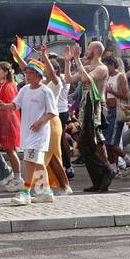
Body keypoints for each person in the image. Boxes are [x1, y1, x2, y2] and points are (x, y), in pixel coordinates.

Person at [67, 41, 115, 193]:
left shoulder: (102, 68)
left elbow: (86, 80)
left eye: (88, 49)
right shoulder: (87, 67)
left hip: (97, 107)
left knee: (96, 141)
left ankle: (107, 170)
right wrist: (69, 61)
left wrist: (76, 59)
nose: (85, 52)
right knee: (85, 145)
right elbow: (69, 79)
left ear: (95, 51)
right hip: (86, 107)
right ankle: (99, 178)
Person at [9, 61, 58, 206]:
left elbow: (52, 112)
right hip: (27, 132)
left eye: (31, 73)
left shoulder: (45, 91)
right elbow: (15, 105)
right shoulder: (24, 90)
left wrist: (39, 122)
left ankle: (25, 192)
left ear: (39, 75)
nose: (27, 75)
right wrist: (2, 105)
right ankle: (46, 192)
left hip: (39, 133)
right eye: (26, 73)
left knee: (29, 161)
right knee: (37, 162)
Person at [37, 47, 72, 196]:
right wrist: (17, 56)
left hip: (52, 121)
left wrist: (44, 55)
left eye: (45, 67)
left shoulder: (56, 83)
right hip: (42, 121)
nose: (43, 70)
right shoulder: (42, 84)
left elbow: (51, 73)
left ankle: (53, 187)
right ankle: (48, 187)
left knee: (48, 156)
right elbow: (26, 69)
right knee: (47, 156)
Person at [0, 60, 23, 190]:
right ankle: (8, 174)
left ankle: (17, 178)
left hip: (7, 122)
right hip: (0, 121)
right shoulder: (0, 85)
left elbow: (10, 106)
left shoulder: (8, 86)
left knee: (10, 150)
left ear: (6, 72)